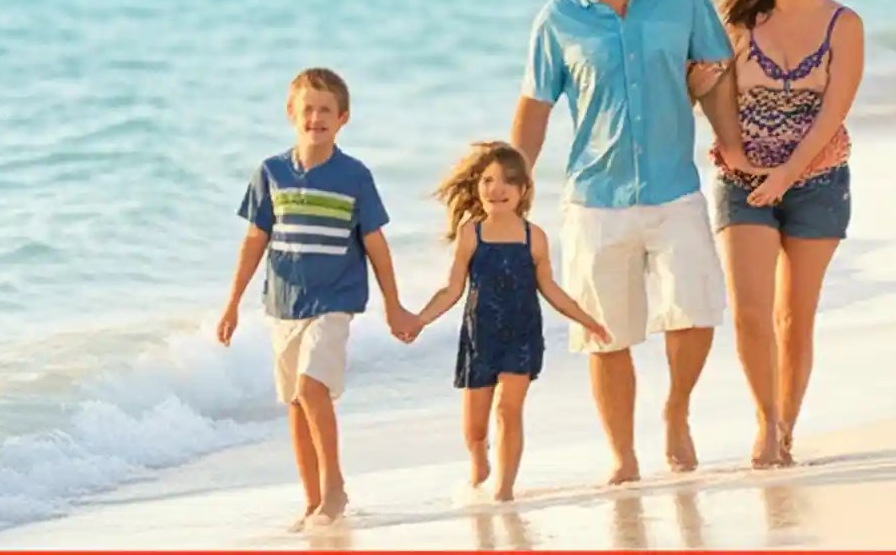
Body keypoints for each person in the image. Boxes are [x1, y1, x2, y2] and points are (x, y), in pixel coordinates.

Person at [510, 0, 761, 483]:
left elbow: (717, 78)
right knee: (603, 334)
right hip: (596, 200)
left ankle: (675, 411)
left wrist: (732, 146)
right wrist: (513, 194)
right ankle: (622, 455)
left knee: (695, 311)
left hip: (675, 186)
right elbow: (535, 108)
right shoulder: (558, 17)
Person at [215, 67, 418, 527]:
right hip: (283, 304)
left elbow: (376, 245)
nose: (316, 117)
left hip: (334, 301)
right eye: (308, 108)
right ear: (291, 113)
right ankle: (311, 500)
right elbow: (254, 241)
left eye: (326, 109)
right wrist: (231, 304)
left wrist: (394, 305)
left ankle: (334, 489)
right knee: (294, 400)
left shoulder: (354, 176)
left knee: (312, 387)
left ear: (343, 118)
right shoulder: (271, 173)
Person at [700, 0, 864, 467]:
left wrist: (787, 175)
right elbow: (715, 99)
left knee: (795, 315)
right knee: (749, 312)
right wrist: (739, 153)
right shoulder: (738, 23)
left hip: (818, 180)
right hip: (741, 181)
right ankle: (765, 424)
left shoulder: (845, 24)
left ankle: (788, 426)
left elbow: (833, 112)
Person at [409, 141, 610, 501]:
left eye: (506, 181)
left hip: (522, 335)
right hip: (480, 336)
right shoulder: (472, 233)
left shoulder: (535, 238)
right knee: (473, 431)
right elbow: (452, 288)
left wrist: (587, 320)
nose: (496, 189)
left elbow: (550, 289)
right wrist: (419, 320)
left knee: (508, 409)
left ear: (522, 191)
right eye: (487, 180)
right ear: (477, 186)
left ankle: (503, 491)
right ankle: (480, 470)